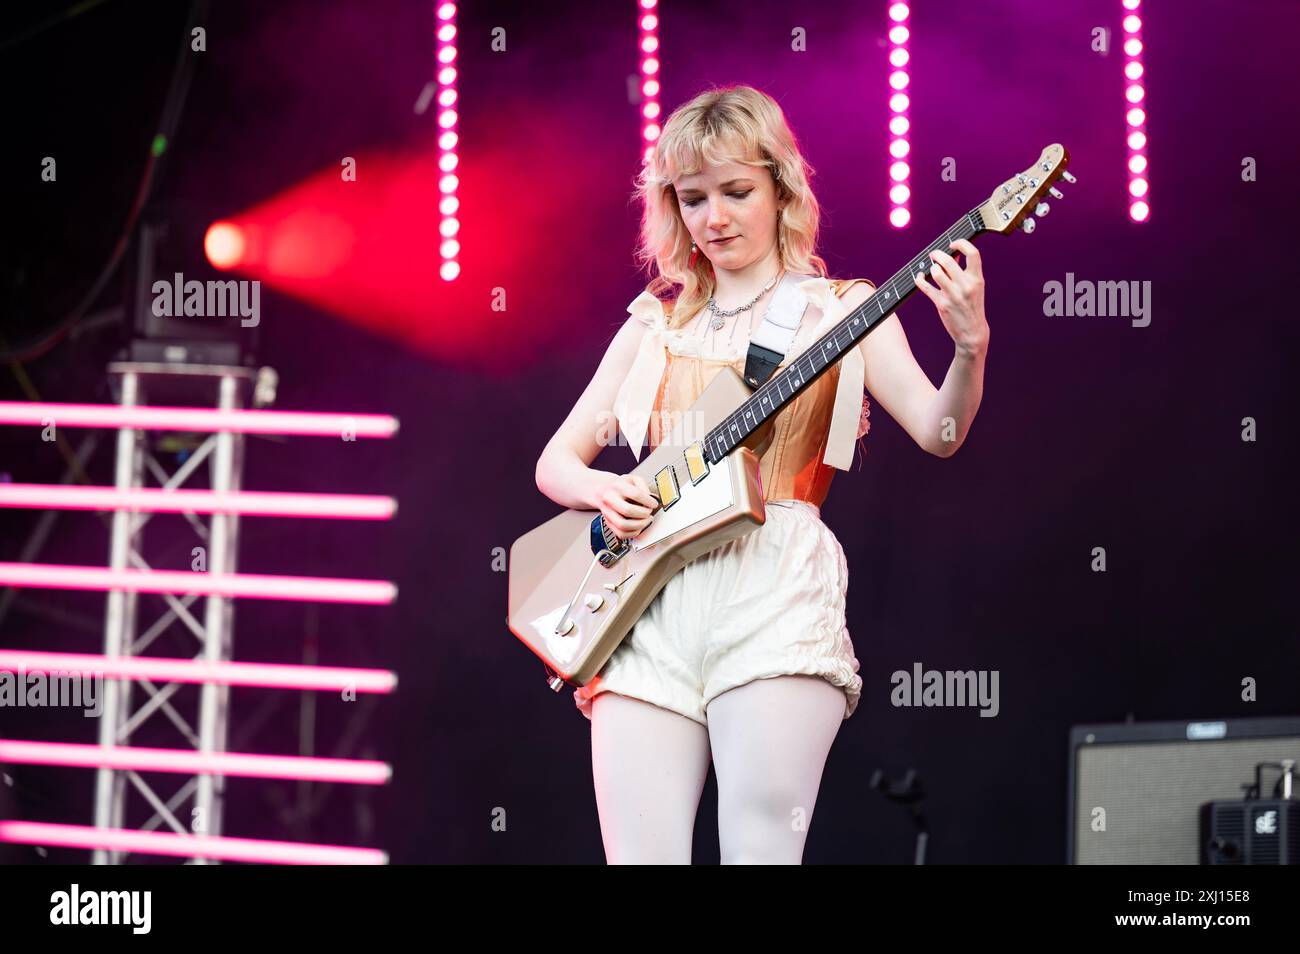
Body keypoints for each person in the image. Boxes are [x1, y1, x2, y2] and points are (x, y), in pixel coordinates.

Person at [534, 85, 989, 863]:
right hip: (648, 594)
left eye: (737, 191)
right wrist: (602, 490)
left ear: (782, 186)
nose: (714, 219)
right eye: (693, 198)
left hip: (773, 581)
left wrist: (970, 349)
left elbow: (937, 432)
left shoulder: (845, 311)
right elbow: (556, 462)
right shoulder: (654, 322)